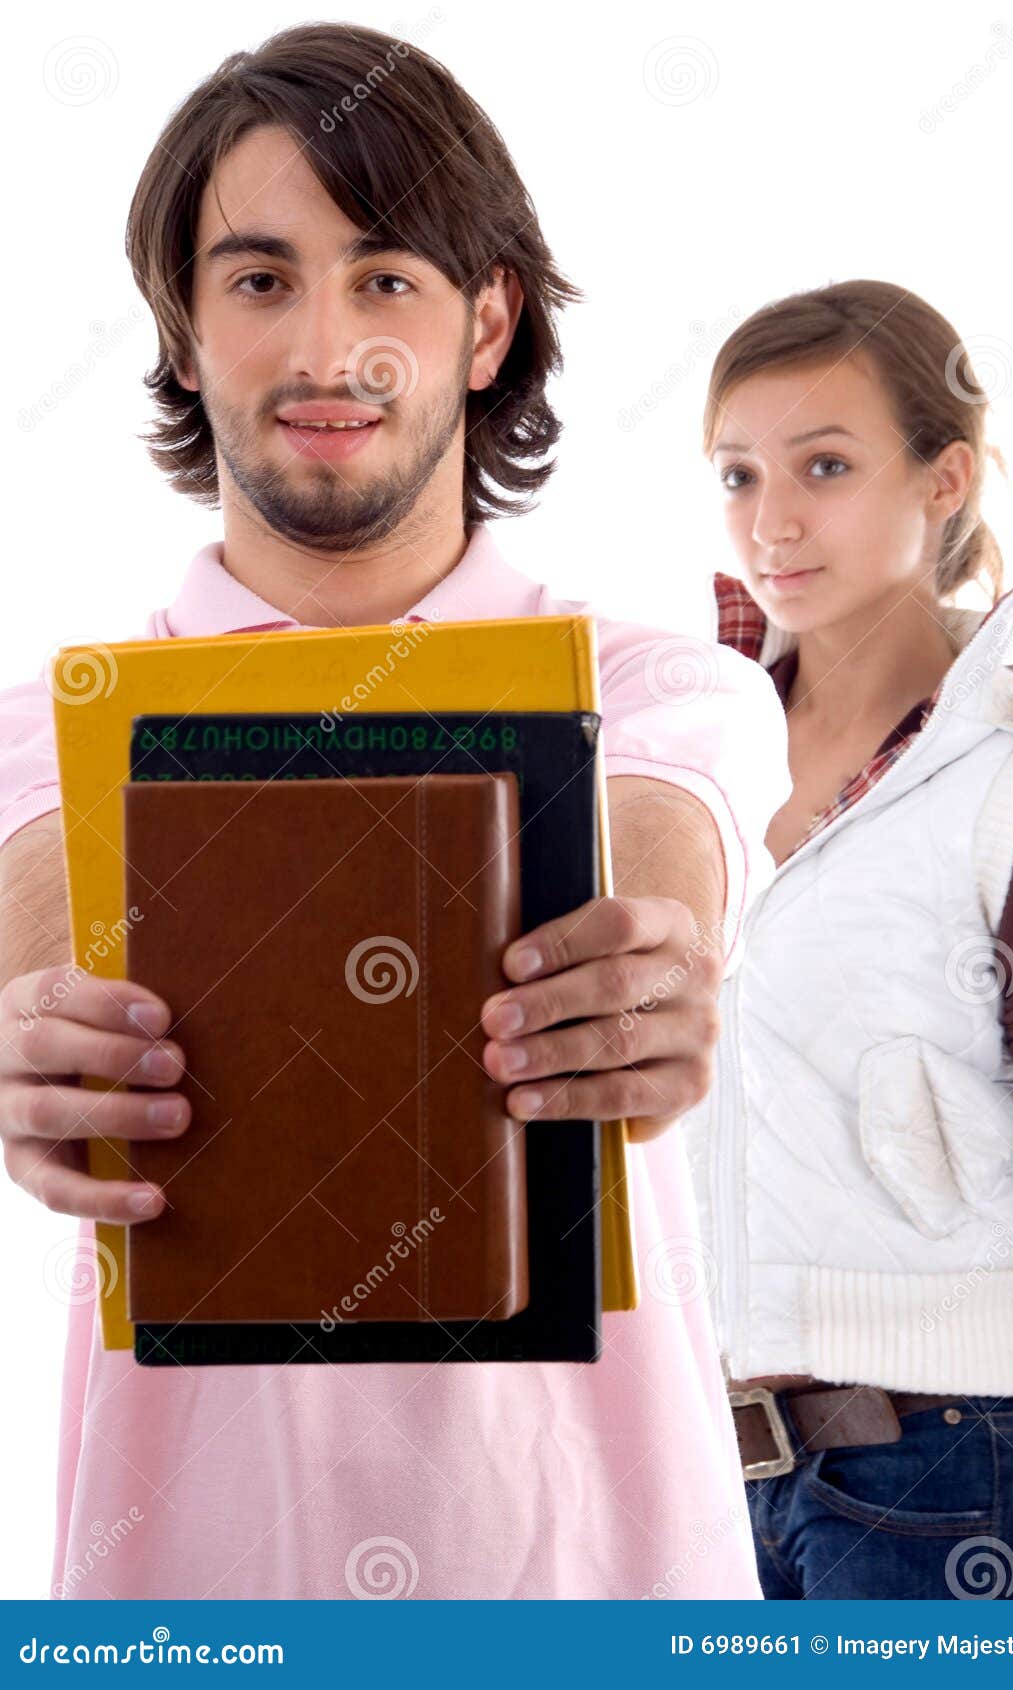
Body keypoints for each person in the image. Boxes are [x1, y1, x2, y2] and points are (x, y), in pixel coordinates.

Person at [0, 24, 790, 1599]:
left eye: (386, 278)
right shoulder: (41, 734)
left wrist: (641, 973)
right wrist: (39, 1040)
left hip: (605, 1594)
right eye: (259, 279)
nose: (324, 351)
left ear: (486, 322)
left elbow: (655, 853)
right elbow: (46, 936)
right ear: (181, 329)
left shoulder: (659, 689)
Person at [686, 277, 1013, 1599]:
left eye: (825, 466)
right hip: (704, 1475)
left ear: (944, 478)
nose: (770, 521)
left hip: (948, 1470)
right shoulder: (677, 758)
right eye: (738, 474)